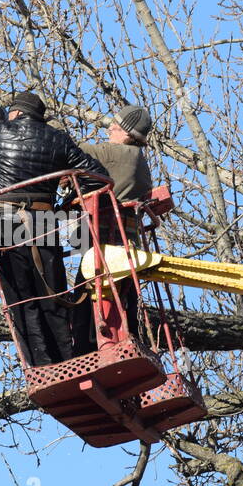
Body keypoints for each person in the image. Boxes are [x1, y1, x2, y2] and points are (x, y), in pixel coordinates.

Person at [0, 77, 109, 366]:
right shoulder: (58, 139)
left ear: (15, 112)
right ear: (38, 117)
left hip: (5, 220)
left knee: (21, 297)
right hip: (44, 220)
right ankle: (70, 362)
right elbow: (98, 177)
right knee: (53, 295)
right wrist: (70, 201)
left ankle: (40, 365)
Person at [72, 104, 154, 356]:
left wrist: (46, 124)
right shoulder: (137, 161)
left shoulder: (122, 155)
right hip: (124, 245)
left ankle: (86, 352)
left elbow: (75, 151)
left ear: (127, 133)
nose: (109, 129)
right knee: (123, 300)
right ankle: (129, 345)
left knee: (85, 297)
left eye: (114, 126)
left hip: (107, 242)